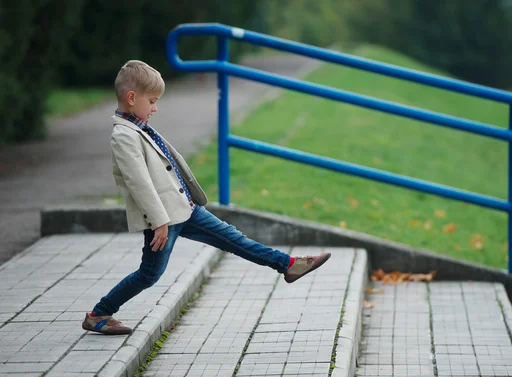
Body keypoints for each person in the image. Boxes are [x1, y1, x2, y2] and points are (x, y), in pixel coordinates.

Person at [82, 60, 331, 335]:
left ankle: (289, 265)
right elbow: (139, 183)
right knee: (148, 275)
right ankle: (99, 314)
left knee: (234, 238)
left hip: (185, 210)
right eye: (152, 101)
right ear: (131, 98)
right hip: (163, 221)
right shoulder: (124, 135)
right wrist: (159, 222)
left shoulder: (138, 127)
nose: (155, 108)